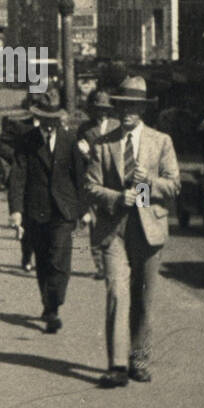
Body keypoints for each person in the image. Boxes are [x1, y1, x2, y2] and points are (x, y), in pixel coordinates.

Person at [85, 74, 181, 388]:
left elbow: (175, 185)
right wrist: (116, 197)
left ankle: (139, 359)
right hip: (115, 227)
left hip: (147, 226)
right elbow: (90, 187)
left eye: (134, 106)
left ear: (143, 109)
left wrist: (147, 181)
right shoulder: (103, 143)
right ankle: (117, 366)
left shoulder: (160, 141)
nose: (128, 112)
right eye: (123, 106)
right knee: (117, 292)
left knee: (142, 298)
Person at [7, 88, 87, 333]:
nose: (50, 125)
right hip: (36, 209)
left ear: (58, 119)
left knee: (59, 258)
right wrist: (16, 211)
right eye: (45, 120)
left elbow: (80, 177)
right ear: (38, 118)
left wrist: (84, 210)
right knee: (43, 260)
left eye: (54, 120)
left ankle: (53, 307)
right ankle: (48, 304)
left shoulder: (70, 140)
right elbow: (18, 177)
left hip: (64, 210)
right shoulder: (27, 140)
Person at [78, 89, 117, 279]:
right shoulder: (85, 129)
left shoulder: (116, 127)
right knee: (95, 223)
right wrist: (84, 154)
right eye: (97, 109)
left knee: (114, 222)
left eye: (104, 109)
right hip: (93, 181)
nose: (101, 113)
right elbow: (78, 154)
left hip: (114, 183)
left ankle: (113, 261)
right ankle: (100, 265)